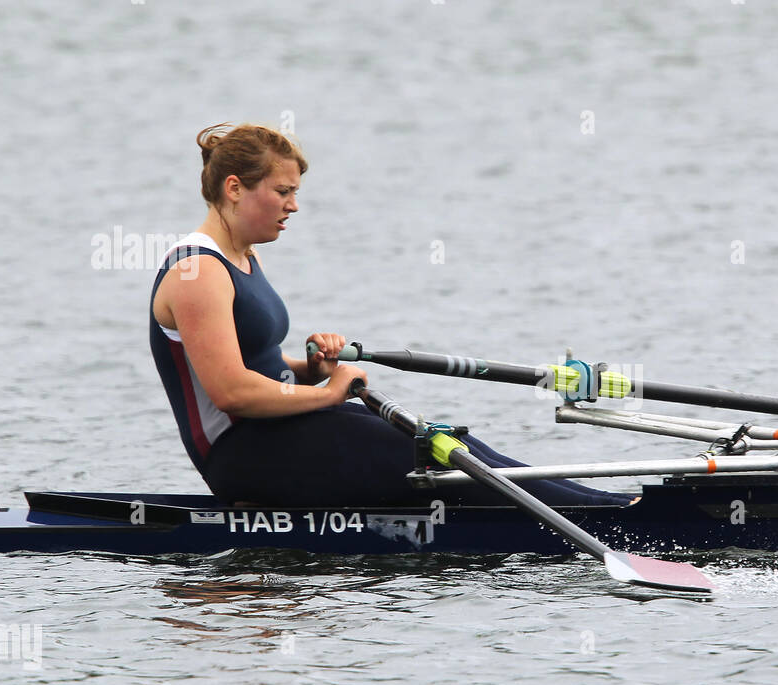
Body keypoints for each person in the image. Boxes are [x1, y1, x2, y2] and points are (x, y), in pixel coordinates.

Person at [149, 123, 631, 508]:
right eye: (283, 191)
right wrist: (328, 394)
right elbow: (231, 392)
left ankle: (612, 505)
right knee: (425, 457)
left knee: (444, 443)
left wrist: (312, 370)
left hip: (278, 431)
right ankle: (617, 519)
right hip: (245, 454)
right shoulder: (197, 272)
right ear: (235, 188)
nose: (294, 205)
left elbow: (256, 365)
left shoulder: (244, 256)